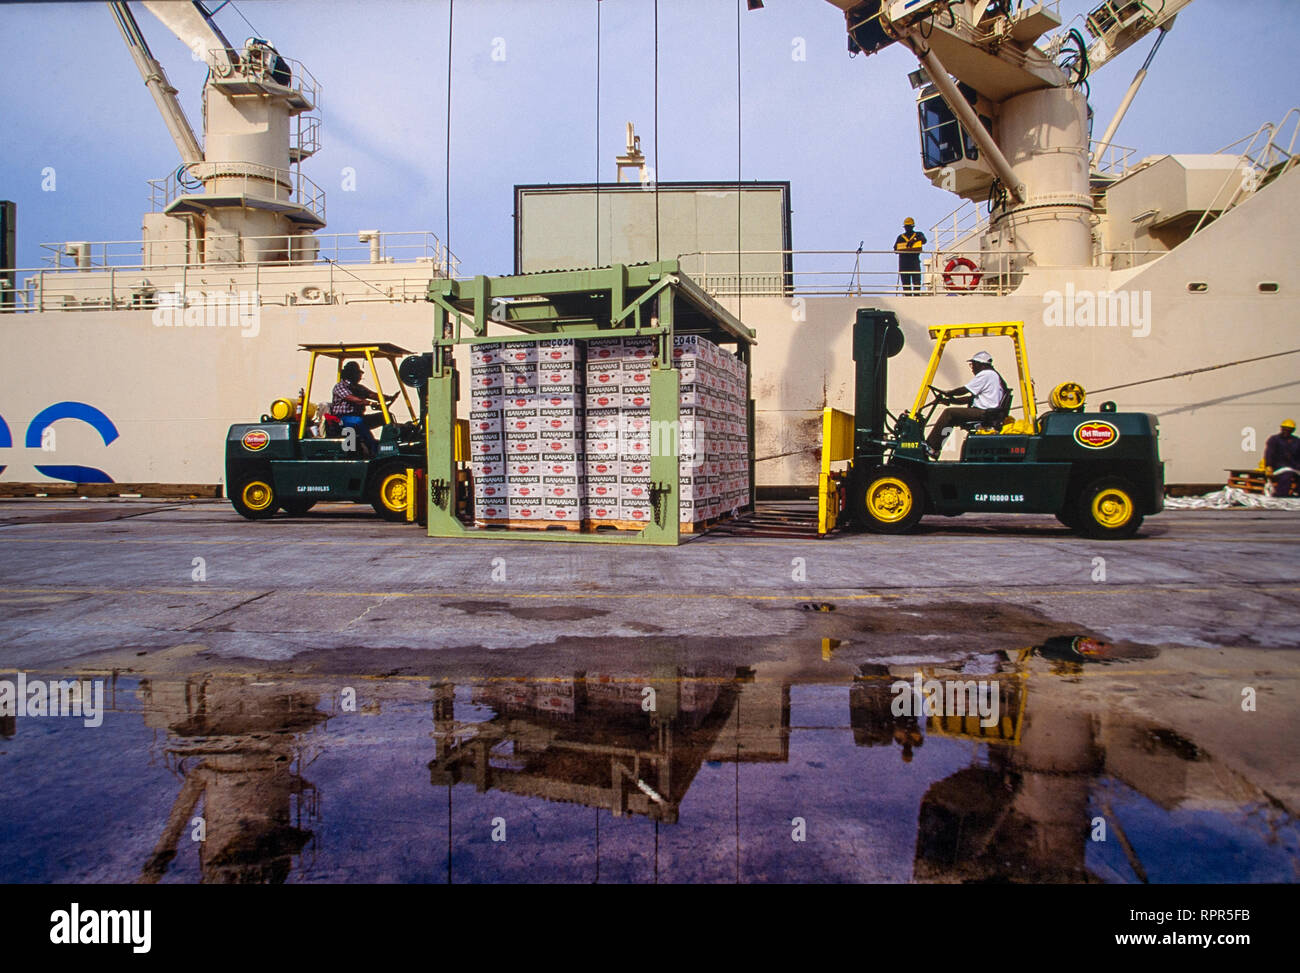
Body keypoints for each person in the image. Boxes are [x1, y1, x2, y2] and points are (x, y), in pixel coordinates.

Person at [925, 350, 1008, 457]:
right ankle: (935, 449)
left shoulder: (986, 374)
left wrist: (949, 393)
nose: (972, 367)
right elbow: (969, 399)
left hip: (984, 413)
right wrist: (950, 401)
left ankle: (931, 446)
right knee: (952, 418)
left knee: (949, 413)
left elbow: (964, 390)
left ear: (980, 364)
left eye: (973, 364)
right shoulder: (992, 375)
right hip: (986, 412)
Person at [331, 361, 397, 456]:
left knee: (386, 416)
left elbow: (372, 395)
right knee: (358, 421)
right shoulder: (340, 387)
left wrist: (388, 398)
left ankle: (390, 444)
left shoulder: (358, 387)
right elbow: (355, 400)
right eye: (358, 374)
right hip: (342, 419)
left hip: (357, 416)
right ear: (351, 374)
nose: (360, 376)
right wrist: (370, 403)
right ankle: (373, 447)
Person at [1264, 418, 1300, 497]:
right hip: (1278, 467)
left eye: (1289, 429)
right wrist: (1268, 465)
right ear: (1281, 428)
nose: (1286, 431)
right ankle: (1281, 496)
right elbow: (1269, 453)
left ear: (1292, 430)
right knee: (1286, 476)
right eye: (1284, 429)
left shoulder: (1297, 441)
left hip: (1294, 467)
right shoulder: (1274, 440)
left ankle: (1297, 494)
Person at [894, 217, 927, 294]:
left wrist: (914, 240)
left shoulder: (918, 234)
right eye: (906, 227)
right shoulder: (901, 237)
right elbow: (895, 249)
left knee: (916, 282)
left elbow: (924, 240)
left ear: (912, 227)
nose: (907, 228)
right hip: (904, 264)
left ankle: (916, 297)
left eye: (909, 227)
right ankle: (908, 296)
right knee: (906, 285)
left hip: (914, 262)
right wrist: (904, 246)